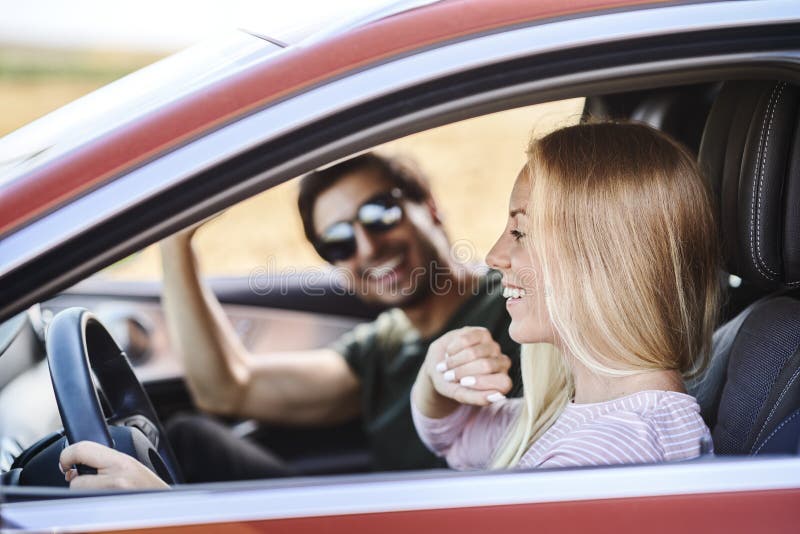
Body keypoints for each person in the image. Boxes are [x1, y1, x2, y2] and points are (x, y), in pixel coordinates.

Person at [58, 153, 520, 488]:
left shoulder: (518, 306)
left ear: (430, 206)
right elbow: (228, 388)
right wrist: (176, 242)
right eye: (339, 243)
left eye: (380, 214)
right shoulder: (382, 346)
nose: (367, 247)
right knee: (189, 439)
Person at [411, 122, 720, 470]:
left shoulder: (610, 453)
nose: (494, 257)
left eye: (520, 232)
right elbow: (455, 439)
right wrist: (437, 370)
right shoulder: (571, 419)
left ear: (607, 258)